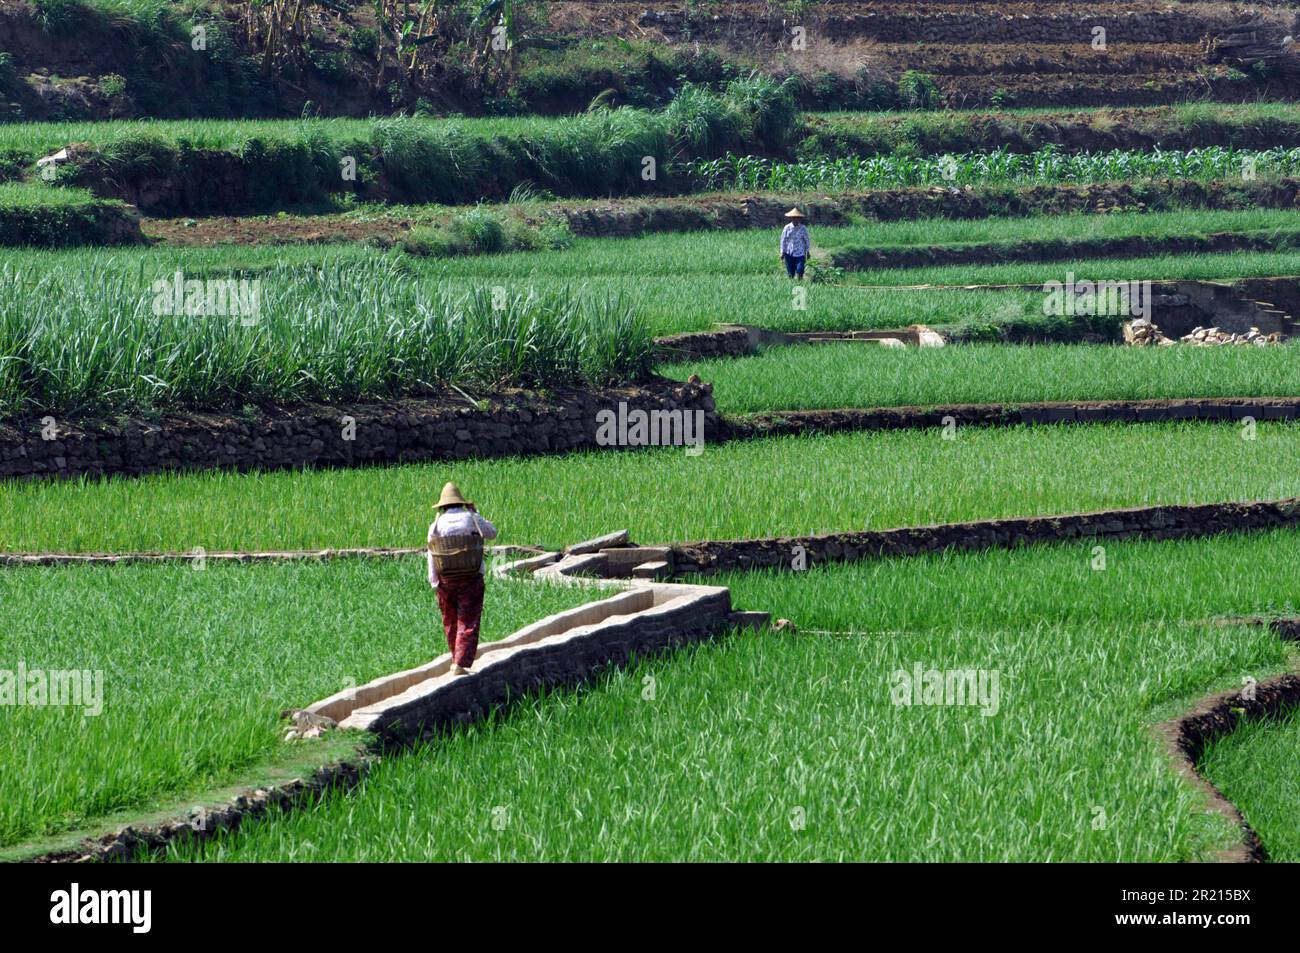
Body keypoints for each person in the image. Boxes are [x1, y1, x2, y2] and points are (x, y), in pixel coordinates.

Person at [427, 482, 498, 675]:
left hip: (446, 580)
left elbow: (431, 553)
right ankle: (459, 663)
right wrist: (476, 513)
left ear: (443, 505)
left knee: (450, 620)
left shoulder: (436, 524)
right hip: (470, 577)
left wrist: (434, 581)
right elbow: (492, 533)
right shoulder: (471, 518)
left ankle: (455, 659)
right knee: (468, 618)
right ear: (461, 502)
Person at [779, 207, 810, 279]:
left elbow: (806, 240)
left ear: (799, 219)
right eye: (794, 217)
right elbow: (783, 240)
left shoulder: (803, 228)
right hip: (789, 252)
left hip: (800, 252)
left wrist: (807, 251)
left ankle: (800, 282)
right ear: (791, 218)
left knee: (800, 270)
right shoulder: (787, 228)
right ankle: (791, 285)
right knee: (790, 273)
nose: (796, 219)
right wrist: (782, 252)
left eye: (797, 218)